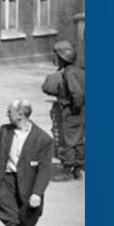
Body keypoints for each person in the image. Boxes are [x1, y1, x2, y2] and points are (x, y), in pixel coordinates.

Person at [43, 40, 84, 180]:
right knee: (78, 140)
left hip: (72, 111)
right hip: (82, 112)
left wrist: (74, 108)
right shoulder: (79, 71)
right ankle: (77, 169)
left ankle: (67, 171)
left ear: (62, 59)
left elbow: (76, 93)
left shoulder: (69, 74)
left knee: (68, 141)